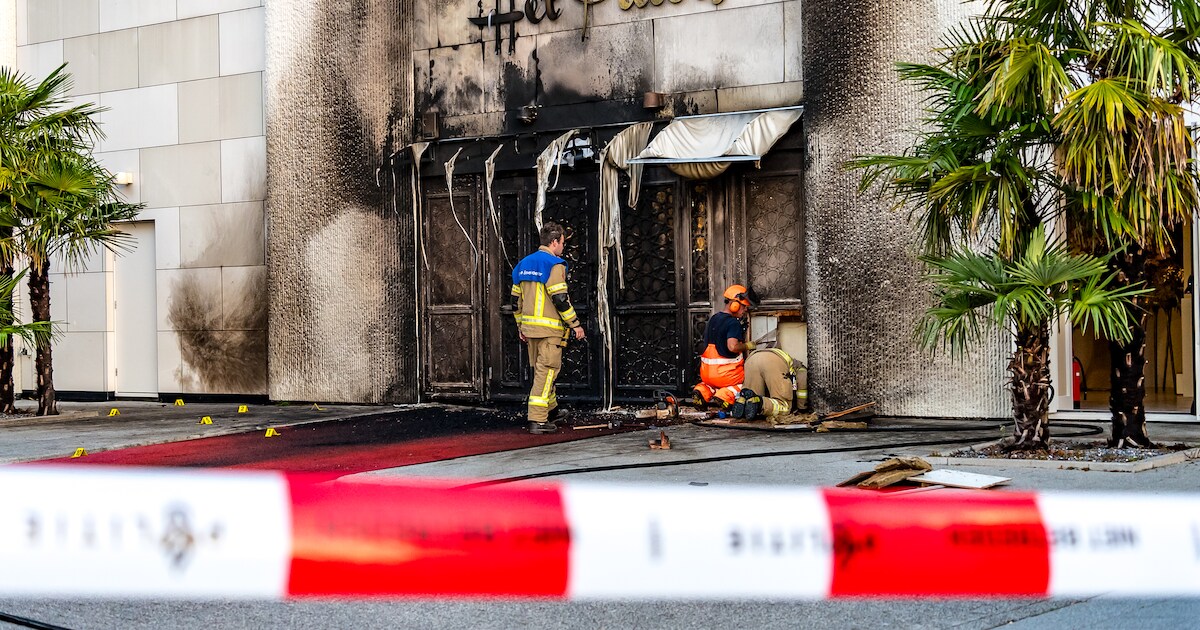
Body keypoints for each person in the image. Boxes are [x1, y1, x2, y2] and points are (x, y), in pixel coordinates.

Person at [511, 221, 586, 434]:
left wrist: (520, 326)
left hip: (530, 330)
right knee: (547, 373)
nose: (563, 248)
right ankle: (538, 420)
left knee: (544, 373)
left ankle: (551, 411)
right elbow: (560, 299)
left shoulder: (523, 264)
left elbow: (515, 301)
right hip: (550, 332)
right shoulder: (554, 264)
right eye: (562, 243)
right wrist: (575, 325)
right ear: (554, 242)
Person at [691, 284, 757, 409]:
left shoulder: (714, 318)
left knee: (710, 385)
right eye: (743, 307)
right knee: (744, 385)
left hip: (707, 373)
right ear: (734, 304)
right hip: (726, 374)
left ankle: (701, 391)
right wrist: (747, 345)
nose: (744, 311)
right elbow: (732, 347)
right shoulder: (733, 323)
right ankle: (723, 397)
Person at [732, 347, 809, 420]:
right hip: (773, 362)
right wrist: (802, 408)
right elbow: (802, 383)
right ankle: (759, 403)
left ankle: (742, 400)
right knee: (784, 406)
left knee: (751, 397)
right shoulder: (801, 368)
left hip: (752, 359)